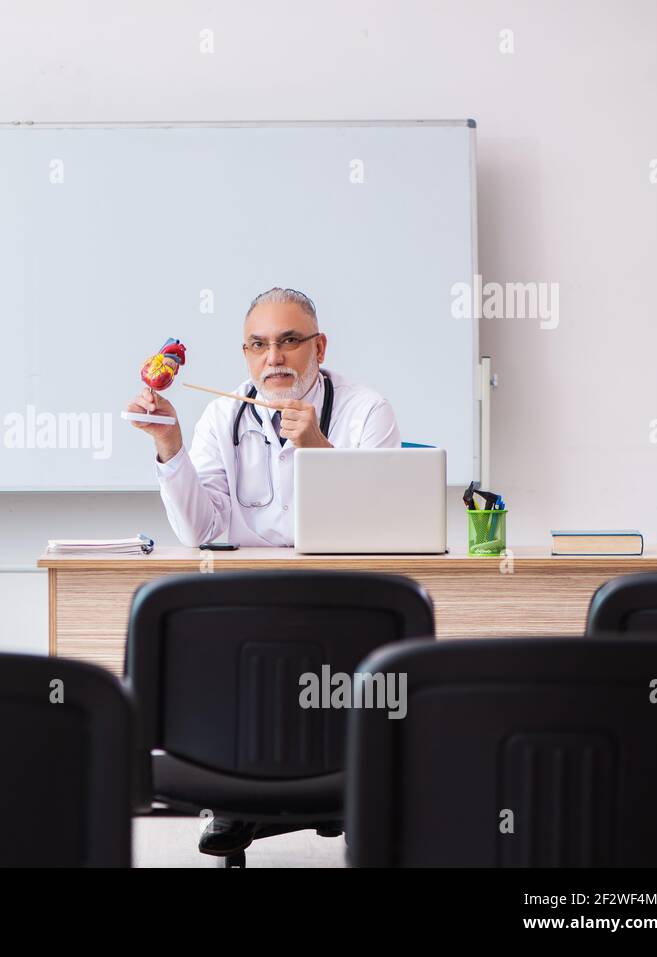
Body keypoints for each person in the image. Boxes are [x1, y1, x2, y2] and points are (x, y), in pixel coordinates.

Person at [125, 285, 401, 855]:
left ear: (319, 347)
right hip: (254, 608)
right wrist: (170, 445)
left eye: (289, 342)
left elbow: (381, 530)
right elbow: (200, 531)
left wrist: (319, 449)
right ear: (245, 353)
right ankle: (238, 794)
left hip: (341, 602)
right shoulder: (222, 415)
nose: (273, 358)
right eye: (258, 345)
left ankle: (329, 784)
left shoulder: (365, 411)